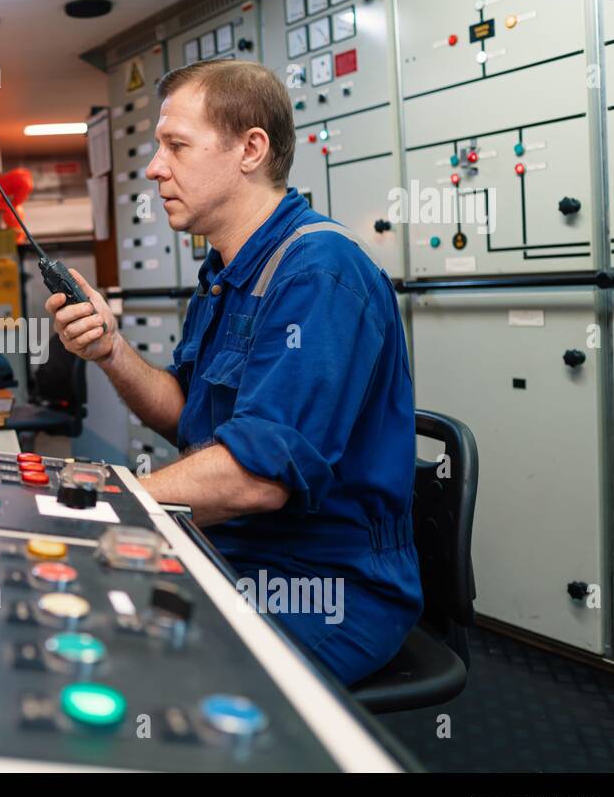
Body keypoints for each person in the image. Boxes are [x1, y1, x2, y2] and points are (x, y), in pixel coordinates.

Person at [46, 59, 421, 684]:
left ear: (251, 149)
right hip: (233, 549)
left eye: (176, 146)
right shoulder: (227, 274)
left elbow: (255, 479)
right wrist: (111, 350)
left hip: (323, 586)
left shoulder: (319, 274)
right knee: (75, 611)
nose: (155, 168)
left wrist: (101, 496)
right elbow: (186, 414)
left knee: (138, 674)